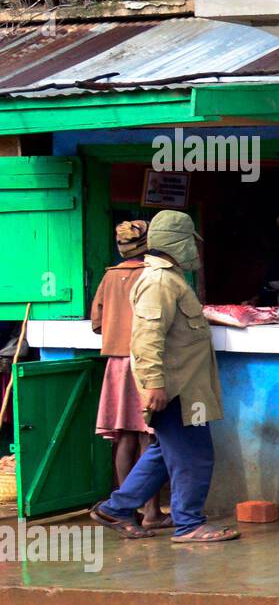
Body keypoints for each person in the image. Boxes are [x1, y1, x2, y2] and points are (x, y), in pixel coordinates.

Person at [89, 210, 239, 543]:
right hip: (176, 390)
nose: (195, 250)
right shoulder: (158, 281)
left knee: (163, 452)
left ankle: (117, 508)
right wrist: (154, 384)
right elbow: (146, 337)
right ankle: (189, 524)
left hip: (187, 387)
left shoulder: (170, 278)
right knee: (194, 455)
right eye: (190, 242)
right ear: (176, 242)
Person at [90, 220, 169, 528]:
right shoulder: (152, 275)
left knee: (123, 437)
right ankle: (152, 512)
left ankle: (126, 513)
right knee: (148, 436)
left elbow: (97, 323)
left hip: (116, 366)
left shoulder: (110, 277)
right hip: (143, 362)